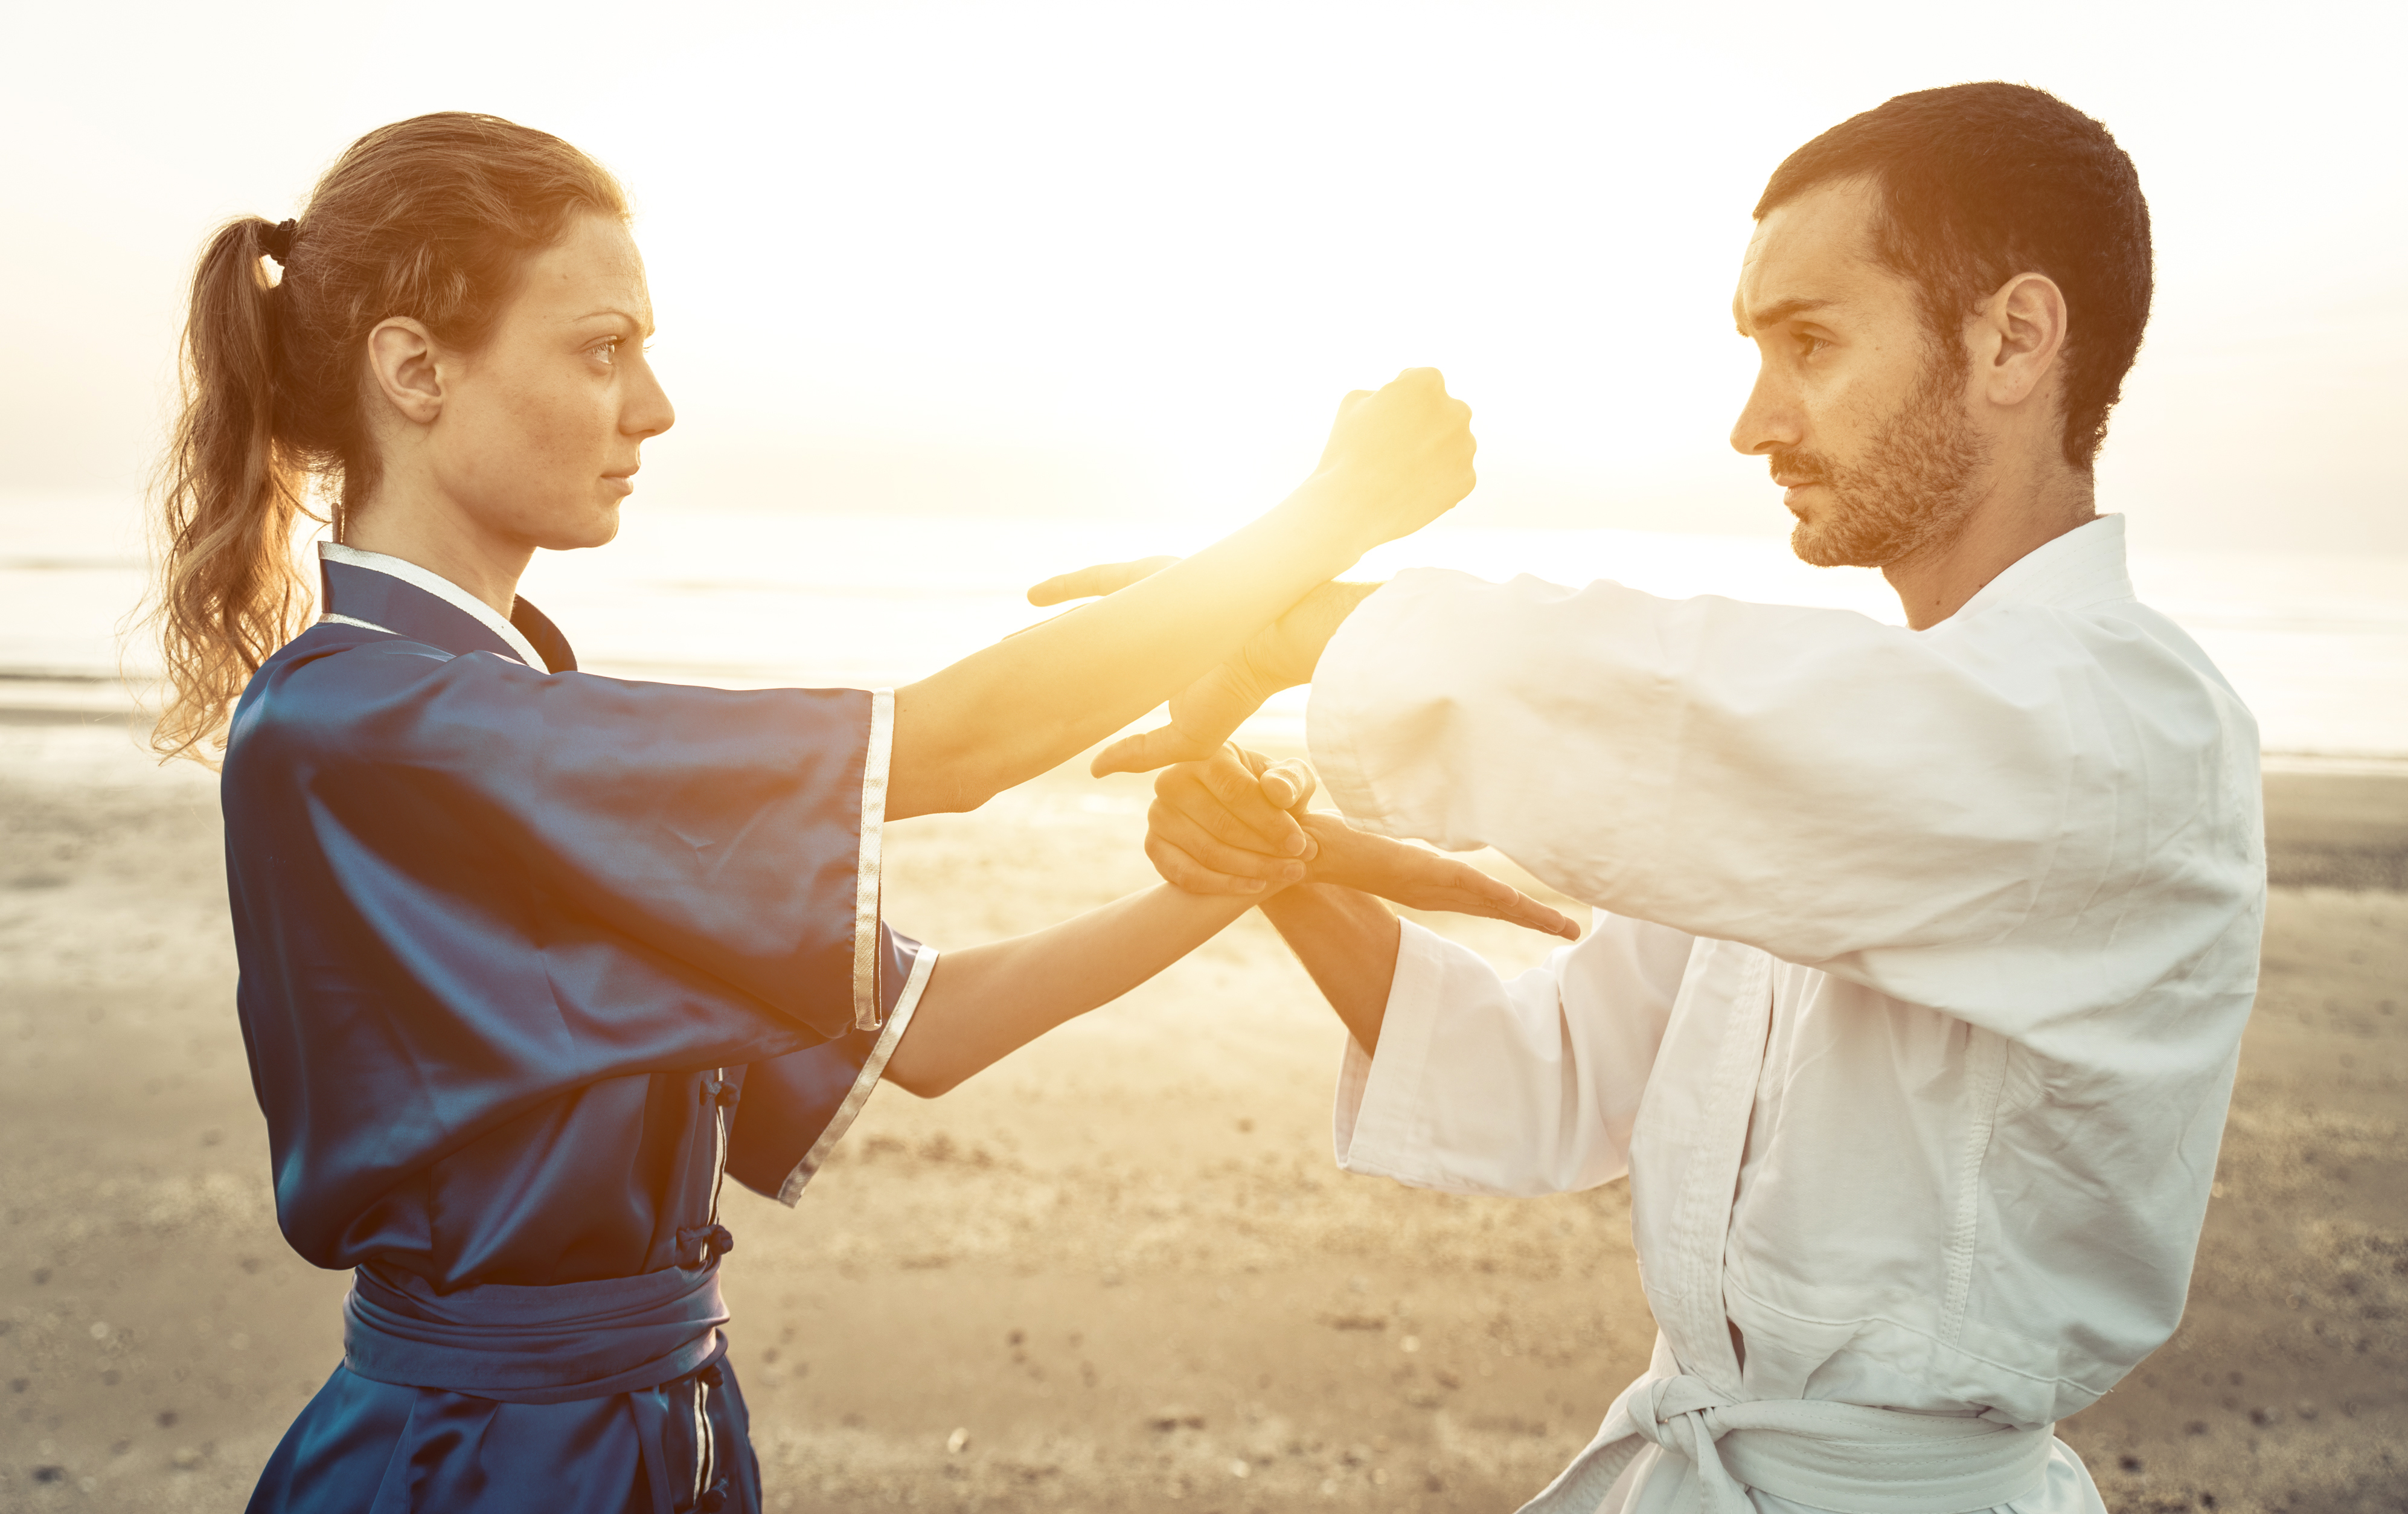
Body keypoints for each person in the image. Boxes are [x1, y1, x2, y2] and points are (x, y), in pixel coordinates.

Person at [150, 112, 1577, 1513]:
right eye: (601, 349)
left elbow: (930, 1033)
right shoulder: (364, 725)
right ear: (414, 370)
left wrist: (1240, 875)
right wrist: (1320, 522)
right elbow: (958, 746)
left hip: (667, 1438)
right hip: (474, 1467)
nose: (652, 407)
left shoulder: (517, 713)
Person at [1083, 83, 2264, 1513]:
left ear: (2011, 338)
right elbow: (1558, 1073)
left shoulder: (2124, 732)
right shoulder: (1824, 768)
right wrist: (1285, 873)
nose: (1752, 422)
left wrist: (1302, 620)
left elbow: (1705, 707)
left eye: (1808, 344)